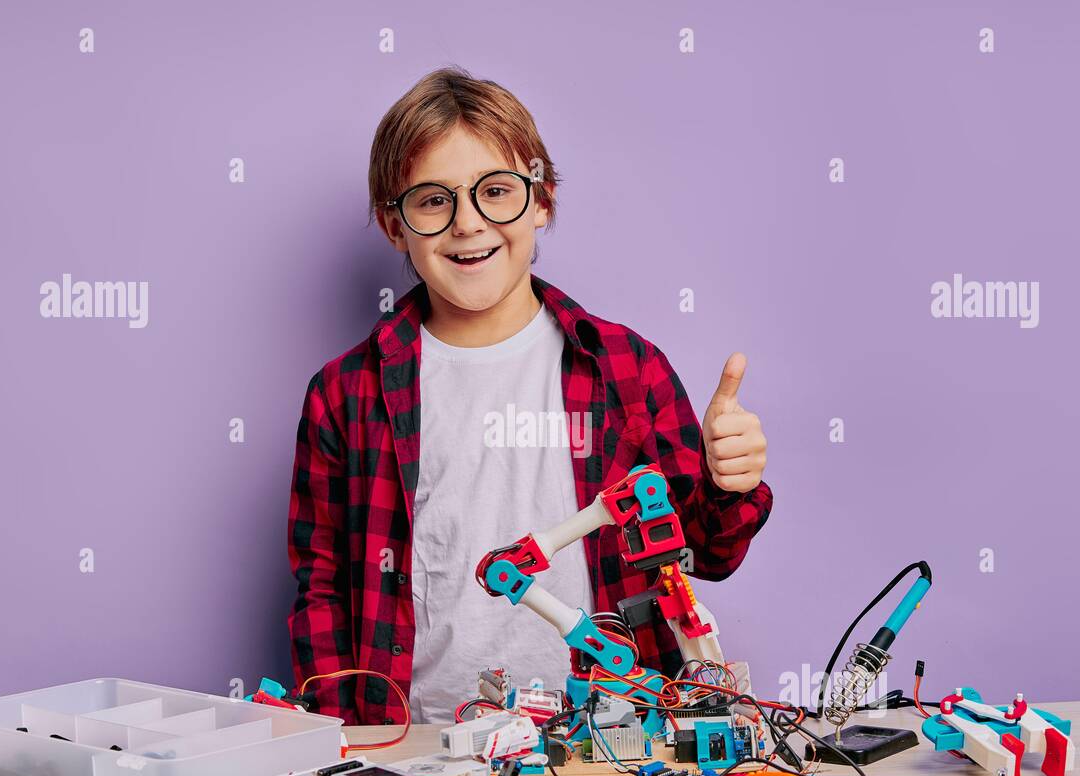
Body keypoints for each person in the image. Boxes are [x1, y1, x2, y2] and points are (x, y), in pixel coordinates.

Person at [287, 67, 772, 726]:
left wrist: (728, 483)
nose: (468, 224)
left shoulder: (627, 369)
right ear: (394, 225)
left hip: (615, 741)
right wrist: (340, 740)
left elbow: (708, 555)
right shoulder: (346, 394)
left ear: (541, 202)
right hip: (420, 744)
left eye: (496, 191)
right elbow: (322, 590)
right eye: (433, 201)